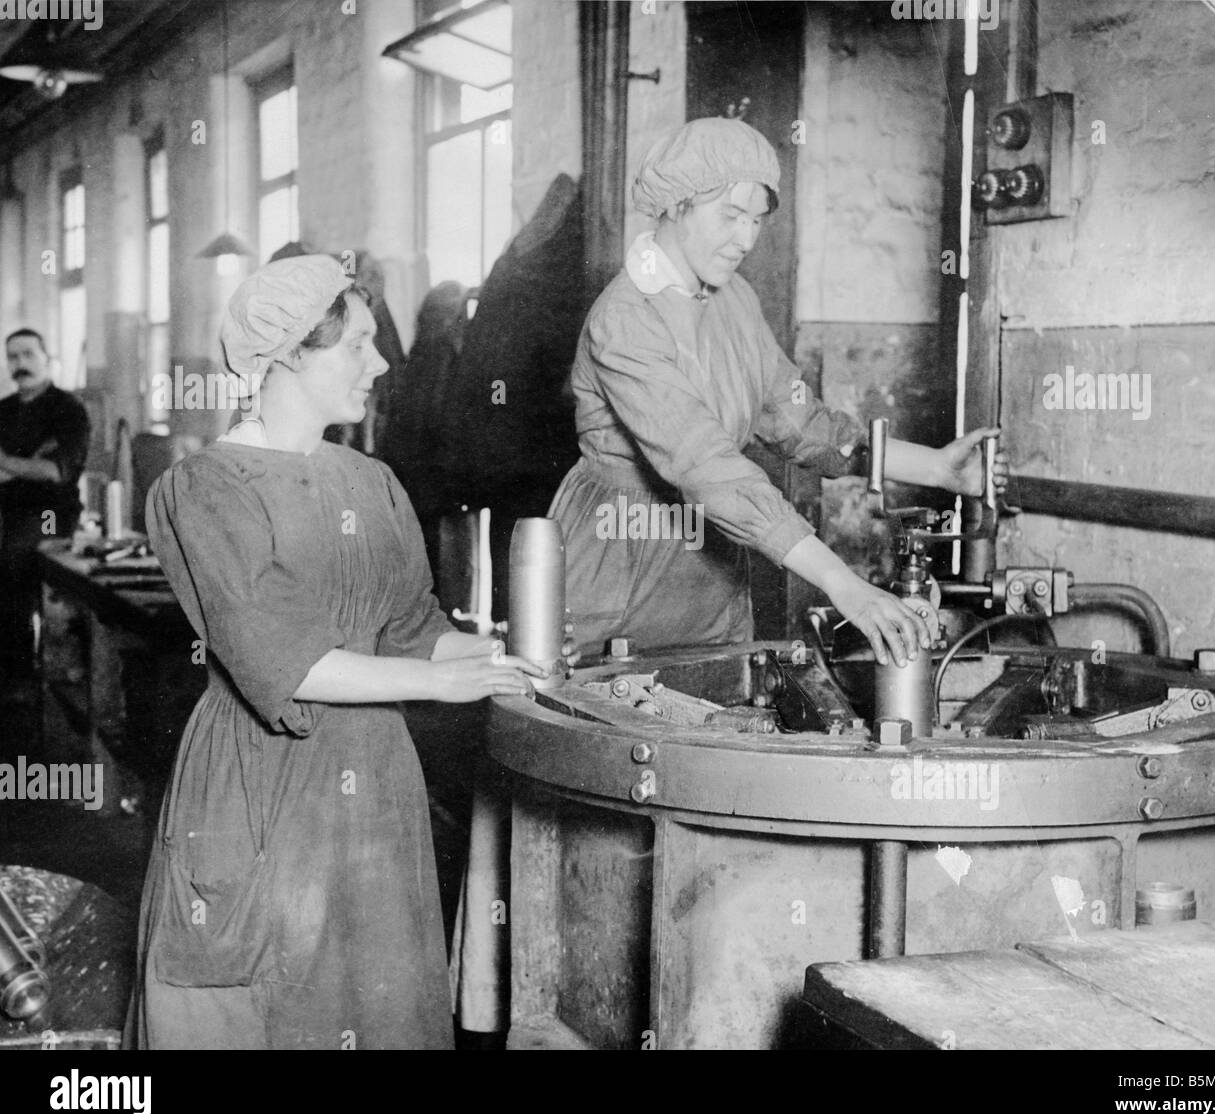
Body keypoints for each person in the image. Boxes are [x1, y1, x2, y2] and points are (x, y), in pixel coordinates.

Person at [130, 255, 545, 1049]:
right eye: (356, 343)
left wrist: (502, 656)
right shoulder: (207, 488)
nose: (382, 360)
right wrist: (435, 681)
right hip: (261, 782)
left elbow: (412, 624)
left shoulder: (371, 481)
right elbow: (288, 662)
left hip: (375, 783)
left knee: (375, 999)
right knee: (266, 1003)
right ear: (288, 352)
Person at [550, 117, 1007, 666]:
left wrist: (935, 468)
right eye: (731, 215)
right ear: (677, 205)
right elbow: (705, 463)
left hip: (708, 565)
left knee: (714, 717)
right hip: (618, 560)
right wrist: (843, 584)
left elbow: (802, 423)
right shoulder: (624, 318)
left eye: (758, 220)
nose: (746, 239)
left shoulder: (733, 298)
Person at [0, 328, 90, 692]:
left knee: (13, 557)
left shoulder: (68, 410)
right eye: (13, 357)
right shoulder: (3, 410)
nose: (21, 364)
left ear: (46, 358)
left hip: (51, 514)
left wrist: (7, 462)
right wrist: (26, 463)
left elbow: (55, 472)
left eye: (28, 355)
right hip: (7, 507)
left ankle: (19, 676)